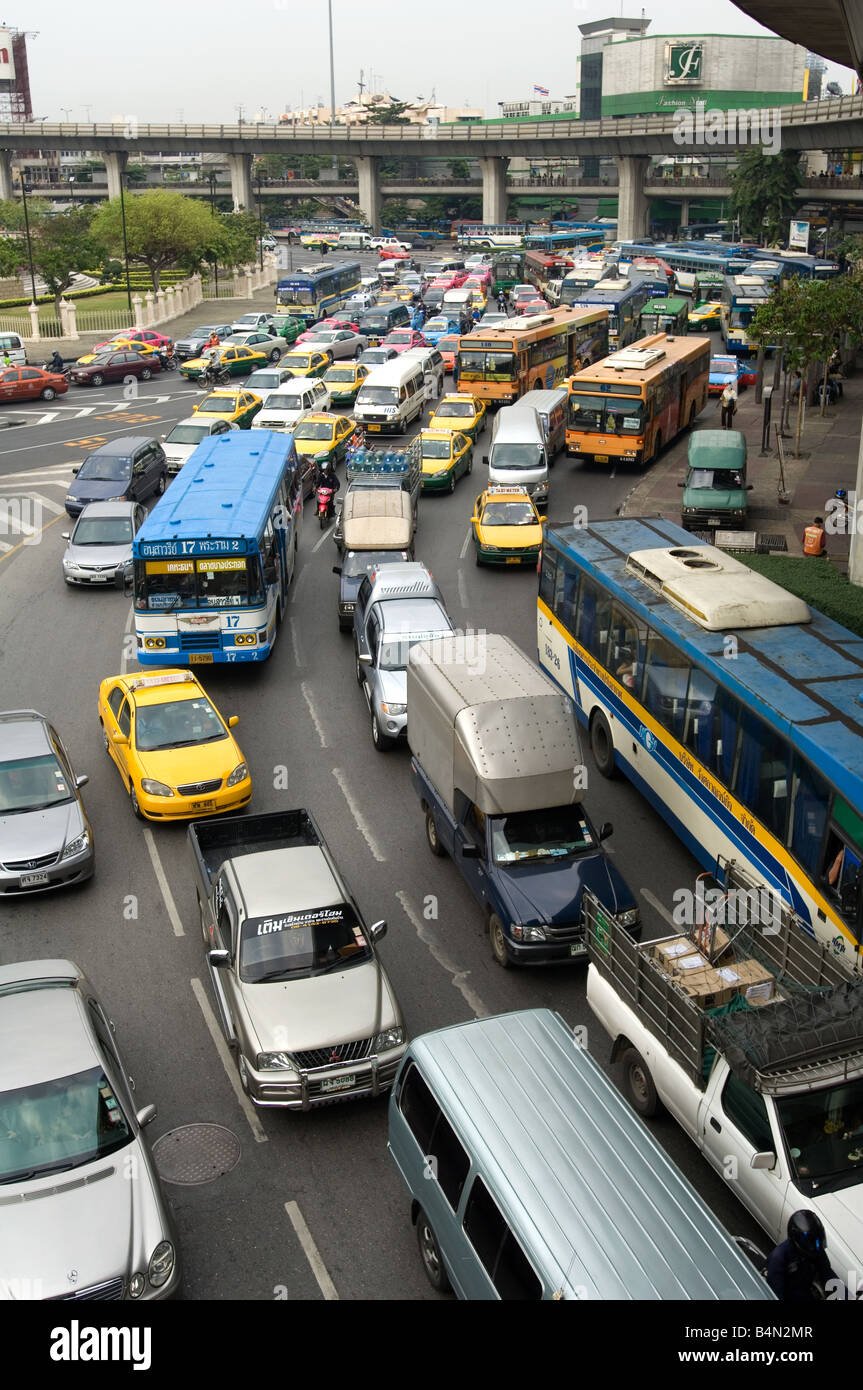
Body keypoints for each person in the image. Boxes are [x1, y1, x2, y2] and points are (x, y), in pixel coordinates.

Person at [766, 1211, 842, 1301]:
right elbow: (776, 1294)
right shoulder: (778, 1259)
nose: (816, 1246)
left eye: (818, 1242)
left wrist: (846, 1295)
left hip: (806, 1292)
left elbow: (827, 1273)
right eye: (812, 1242)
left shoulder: (815, 1249)